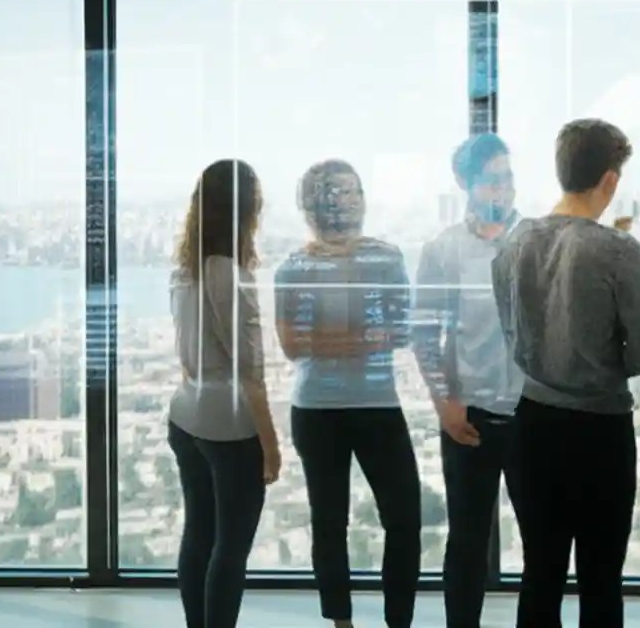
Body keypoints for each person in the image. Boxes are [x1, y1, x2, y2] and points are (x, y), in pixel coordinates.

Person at [491, 118, 640, 628]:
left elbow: (510, 327)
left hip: (532, 425)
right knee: (600, 577)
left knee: (539, 571)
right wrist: (610, 363)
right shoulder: (619, 250)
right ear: (610, 180)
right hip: (599, 431)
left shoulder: (514, 242)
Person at [274, 159, 421, 628]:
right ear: (314, 204)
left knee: (404, 519)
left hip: (377, 404)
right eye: (336, 193)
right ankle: (340, 622)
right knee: (329, 521)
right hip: (317, 409)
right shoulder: (294, 267)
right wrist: (360, 339)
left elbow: (399, 333)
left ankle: (398, 620)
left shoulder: (386, 258)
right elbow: (292, 346)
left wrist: (331, 340)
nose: (348, 200)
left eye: (354, 190)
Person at [413, 134, 525, 628]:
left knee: (543, 540)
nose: (504, 189)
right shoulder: (444, 250)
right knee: (467, 541)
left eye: (509, 177)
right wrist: (444, 405)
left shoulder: (534, 240)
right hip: (469, 416)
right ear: (465, 184)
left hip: (531, 413)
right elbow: (423, 333)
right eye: (492, 180)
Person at [167, 158, 282, 628]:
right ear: (246, 210)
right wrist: (271, 447)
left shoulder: (184, 271)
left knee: (198, 536)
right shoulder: (228, 274)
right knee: (230, 550)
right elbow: (250, 373)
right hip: (227, 425)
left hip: (185, 415)